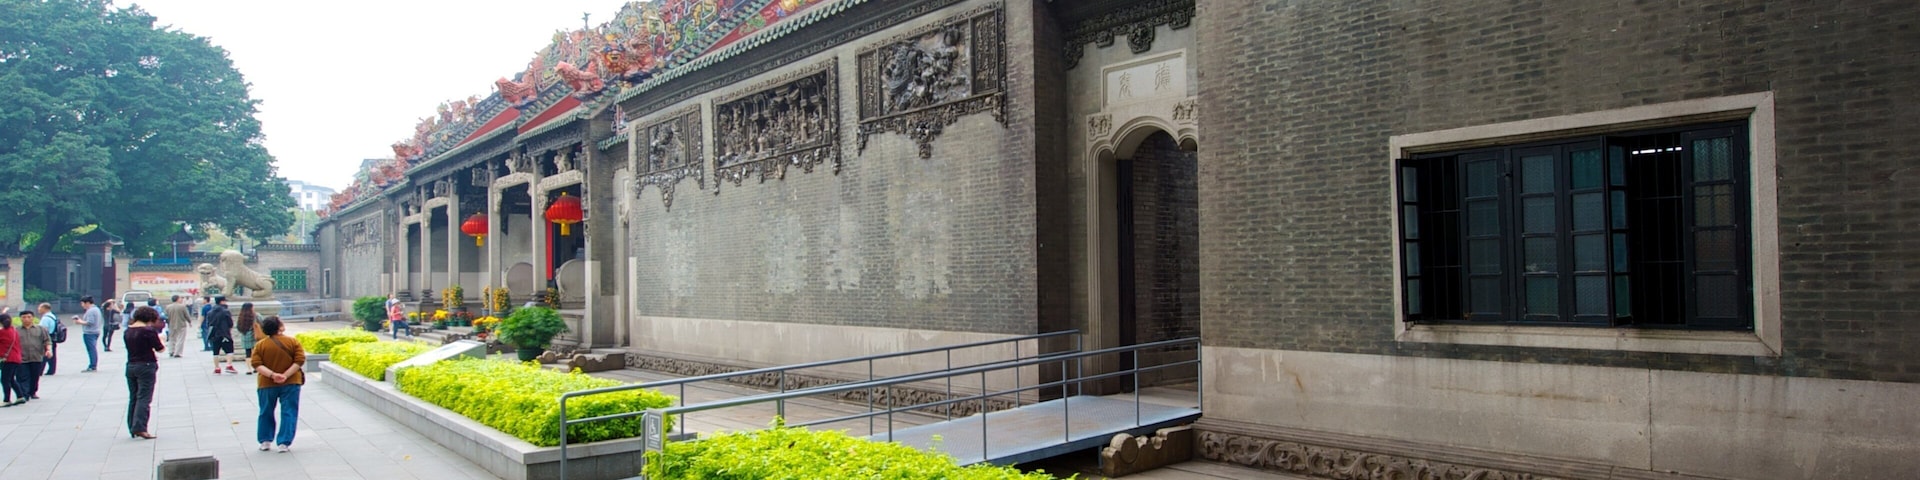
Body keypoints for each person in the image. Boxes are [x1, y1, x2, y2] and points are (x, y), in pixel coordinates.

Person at [250, 316, 304, 452]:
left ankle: (265, 440)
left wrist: (273, 375)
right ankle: (284, 443)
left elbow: (256, 364)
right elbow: (299, 360)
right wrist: (285, 375)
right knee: (289, 411)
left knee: (266, 411)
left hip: (266, 383)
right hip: (291, 382)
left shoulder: (261, 345)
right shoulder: (293, 342)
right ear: (279, 327)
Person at [123, 306, 164, 439]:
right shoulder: (148, 331)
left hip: (131, 365)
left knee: (133, 397)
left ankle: (132, 426)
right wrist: (162, 339)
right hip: (146, 365)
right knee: (144, 397)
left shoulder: (128, 331)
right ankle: (140, 427)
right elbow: (160, 349)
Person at [16, 313, 48, 400]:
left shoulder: (40, 329)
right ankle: (24, 394)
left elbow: (47, 341)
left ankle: (32, 392)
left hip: (36, 356)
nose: (26, 319)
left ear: (33, 318)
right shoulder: (16, 330)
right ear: (21, 318)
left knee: (35, 376)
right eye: (24, 317)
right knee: (22, 376)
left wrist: (48, 350)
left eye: (29, 317)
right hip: (21, 357)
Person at [205, 296, 237, 374]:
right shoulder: (225, 311)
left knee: (215, 351)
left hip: (214, 334)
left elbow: (208, 324)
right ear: (222, 302)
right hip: (224, 333)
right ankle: (229, 365)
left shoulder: (210, 312)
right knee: (229, 350)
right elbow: (230, 323)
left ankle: (217, 368)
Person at [77, 296, 103, 372]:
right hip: (95, 331)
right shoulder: (96, 309)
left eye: (82, 303)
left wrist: (80, 322)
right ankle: (93, 365)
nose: (82, 305)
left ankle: (92, 366)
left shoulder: (91, 311)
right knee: (92, 348)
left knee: (91, 349)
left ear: (87, 303)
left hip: (90, 332)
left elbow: (90, 322)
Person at [0, 314, 21, 406]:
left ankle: (7, 400)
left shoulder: (2, 332)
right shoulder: (14, 331)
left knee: (4, 379)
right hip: (16, 357)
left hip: (7, 358)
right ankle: (20, 396)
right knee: (11, 379)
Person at [37, 304, 58, 375]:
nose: (38, 309)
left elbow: (44, 329)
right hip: (52, 337)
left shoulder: (45, 318)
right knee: (52, 355)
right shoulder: (52, 316)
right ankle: (51, 370)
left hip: (46, 338)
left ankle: (39, 371)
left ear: (44, 308)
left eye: (40, 307)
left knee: (44, 355)